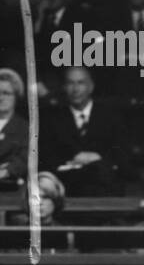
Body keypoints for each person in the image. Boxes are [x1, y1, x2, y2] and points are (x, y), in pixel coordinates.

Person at [39, 65, 132, 196]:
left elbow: (123, 157)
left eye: (81, 83)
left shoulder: (111, 117)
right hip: (67, 191)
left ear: (91, 87)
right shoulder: (52, 119)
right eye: (70, 83)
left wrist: (97, 158)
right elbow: (47, 159)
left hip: (105, 191)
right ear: (64, 87)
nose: (75, 89)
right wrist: (73, 163)